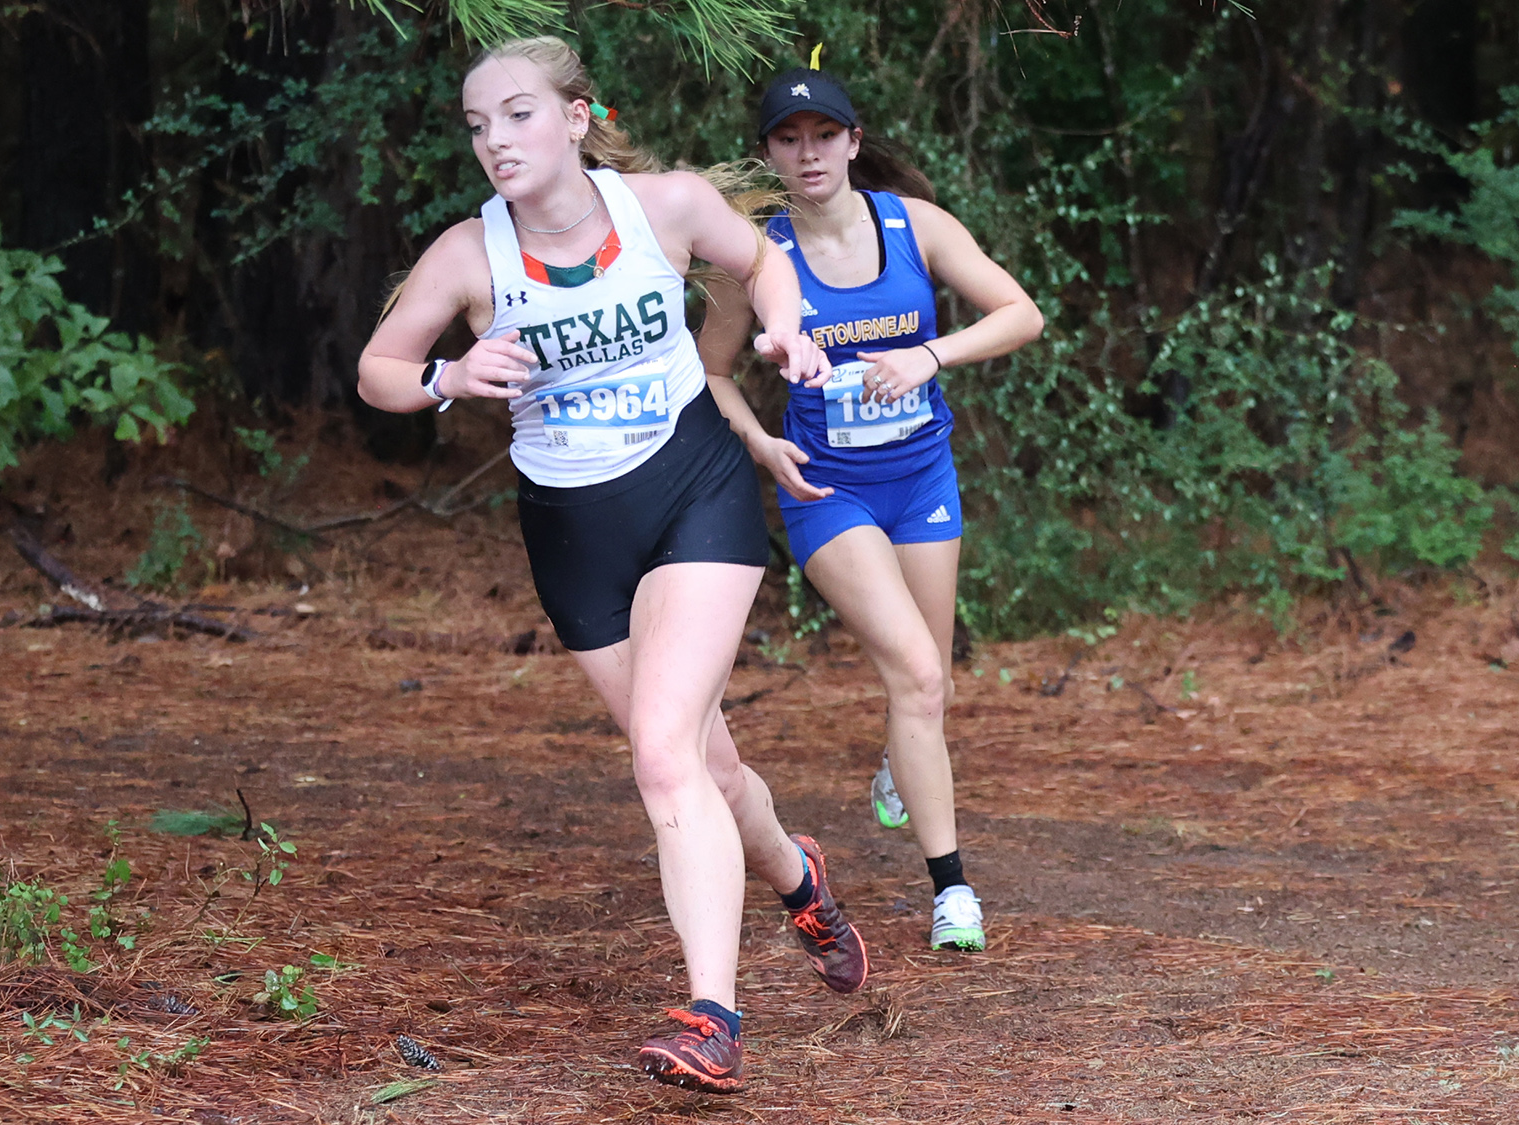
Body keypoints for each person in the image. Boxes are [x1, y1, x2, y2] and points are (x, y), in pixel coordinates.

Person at [357, 38, 869, 1095]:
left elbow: (763, 263)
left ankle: (711, 1017)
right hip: (571, 530)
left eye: (516, 116)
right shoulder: (467, 254)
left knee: (658, 755)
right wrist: (450, 374)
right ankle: (797, 875)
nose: (494, 140)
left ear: (577, 117)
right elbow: (376, 372)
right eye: (476, 124)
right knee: (708, 766)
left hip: (692, 490)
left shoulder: (664, 206)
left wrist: (781, 331)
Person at [699, 66, 1043, 955]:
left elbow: (1021, 313)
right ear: (770, 154)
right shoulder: (758, 255)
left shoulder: (913, 225)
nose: (807, 153)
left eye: (823, 135)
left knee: (931, 686)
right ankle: (953, 889)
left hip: (923, 477)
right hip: (829, 490)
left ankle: (900, 759)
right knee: (920, 676)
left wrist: (930, 355)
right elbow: (710, 371)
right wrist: (763, 446)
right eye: (787, 139)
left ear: (854, 141)